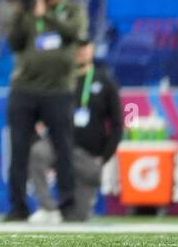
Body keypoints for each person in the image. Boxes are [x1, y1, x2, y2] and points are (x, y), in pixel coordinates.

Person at [4, 0, 89, 222]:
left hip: (58, 90)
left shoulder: (74, 9)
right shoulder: (28, 11)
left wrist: (47, 17)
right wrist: (21, 8)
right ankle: (18, 206)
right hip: (24, 90)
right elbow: (14, 42)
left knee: (63, 148)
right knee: (18, 149)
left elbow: (76, 34)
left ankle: (67, 205)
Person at [27, 50, 121, 222]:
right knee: (38, 151)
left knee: (76, 218)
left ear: (92, 49)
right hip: (58, 146)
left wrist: (103, 158)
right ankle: (47, 207)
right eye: (76, 47)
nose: (80, 51)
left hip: (86, 156)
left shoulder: (105, 81)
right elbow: (37, 114)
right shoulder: (58, 80)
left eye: (85, 47)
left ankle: (74, 208)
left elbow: (117, 125)